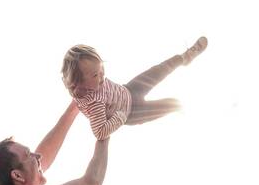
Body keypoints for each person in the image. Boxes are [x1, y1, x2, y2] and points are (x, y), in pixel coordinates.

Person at [61, 37, 208, 140]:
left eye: (101, 70)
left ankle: (185, 57)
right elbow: (99, 132)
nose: (102, 76)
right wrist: (120, 117)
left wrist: (97, 76)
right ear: (79, 83)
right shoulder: (94, 103)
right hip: (132, 112)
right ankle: (189, 109)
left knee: (158, 70)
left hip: (129, 90)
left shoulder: (92, 83)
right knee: (171, 104)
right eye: (95, 75)